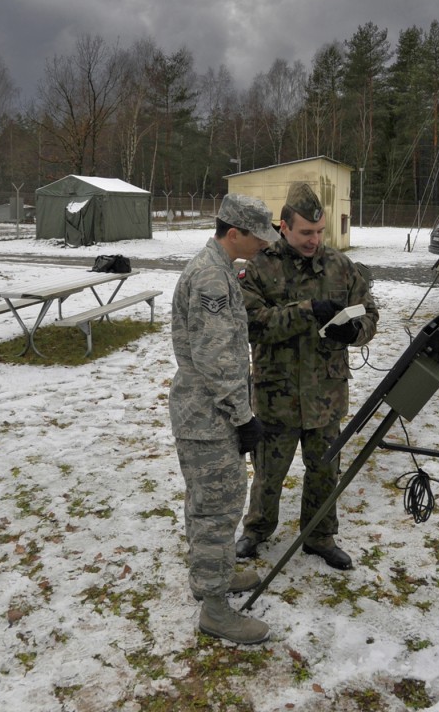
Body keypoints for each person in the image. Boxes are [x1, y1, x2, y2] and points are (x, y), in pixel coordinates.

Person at [236, 181, 378, 571]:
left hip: (326, 394)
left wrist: (357, 331)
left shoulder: (340, 267)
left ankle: (319, 535)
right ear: (284, 227)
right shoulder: (260, 266)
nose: (314, 240)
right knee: (268, 473)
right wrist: (307, 310)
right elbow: (251, 324)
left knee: (324, 472)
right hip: (276, 395)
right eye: (305, 233)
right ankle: (258, 529)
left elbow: (369, 312)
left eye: (319, 232)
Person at [169, 193, 279, 645]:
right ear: (234, 233)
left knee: (204, 501)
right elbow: (216, 358)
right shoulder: (212, 277)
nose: (265, 245)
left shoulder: (216, 267)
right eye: (259, 237)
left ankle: (208, 576)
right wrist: (243, 416)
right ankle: (215, 610)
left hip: (203, 411)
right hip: (211, 414)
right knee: (218, 507)